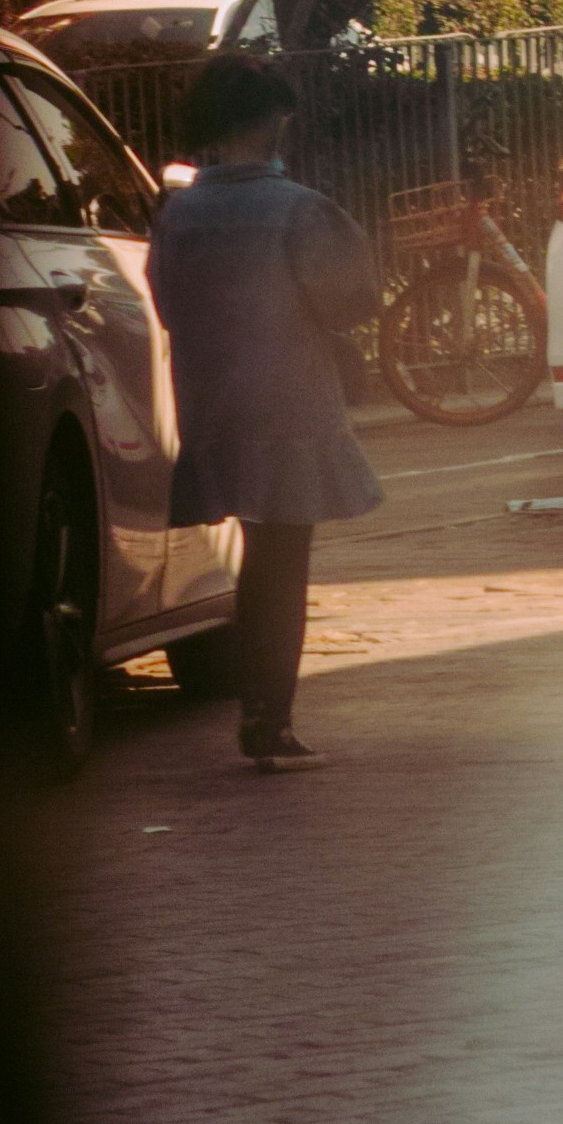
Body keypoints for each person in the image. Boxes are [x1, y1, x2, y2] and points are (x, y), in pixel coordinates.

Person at [145, 58, 382, 772]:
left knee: (256, 559)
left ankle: (261, 710)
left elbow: (168, 306)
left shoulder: (177, 215)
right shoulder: (299, 209)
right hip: (293, 406)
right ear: (275, 122)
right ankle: (269, 717)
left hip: (215, 406)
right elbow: (353, 300)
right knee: (284, 562)